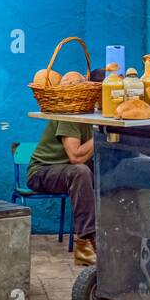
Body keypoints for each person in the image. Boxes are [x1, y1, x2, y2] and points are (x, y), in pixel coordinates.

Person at [27, 69, 104, 267]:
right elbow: (76, 157)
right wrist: (102, 135)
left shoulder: (99, 115)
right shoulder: (70, 113)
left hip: (68, 171)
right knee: (80, 172)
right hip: (42, 171)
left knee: (115, 173)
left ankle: (118, 238)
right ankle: (85, 244)